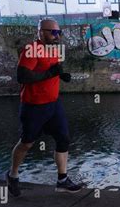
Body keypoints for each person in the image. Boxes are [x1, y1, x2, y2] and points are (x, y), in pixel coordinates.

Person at [6, 18, 82, 196]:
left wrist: (61, 75)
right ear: (41, 32)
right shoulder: (31, 50)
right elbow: (22, 76)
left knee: (63, 139)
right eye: (53, 32)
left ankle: (62, 180)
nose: (57, 36)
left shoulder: (53, 49)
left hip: (53, 104)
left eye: (59, 32)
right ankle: (13, 175)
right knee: (26, 143)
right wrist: (50, 74)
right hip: (33, 106)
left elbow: (53, 68)